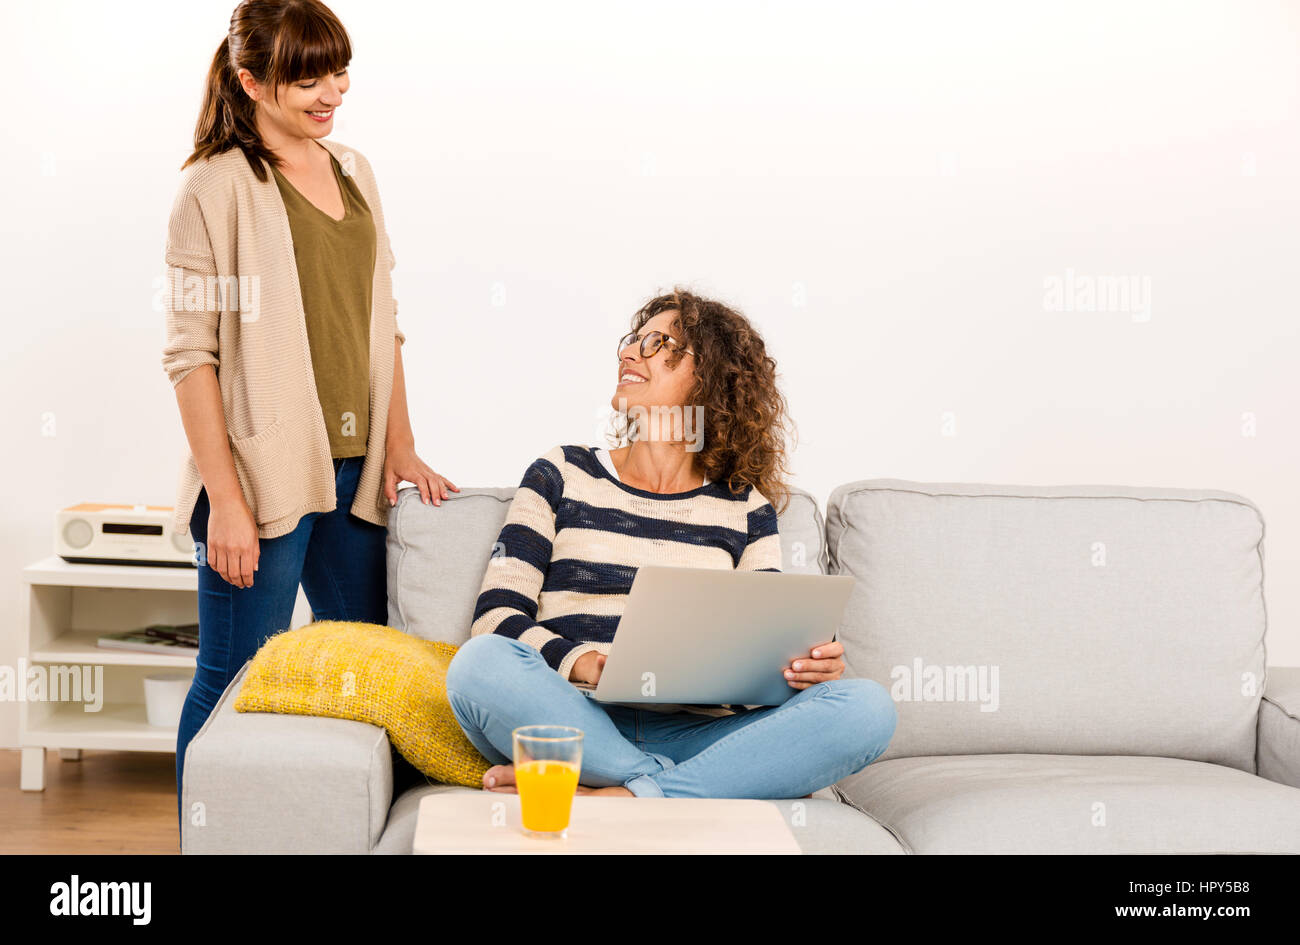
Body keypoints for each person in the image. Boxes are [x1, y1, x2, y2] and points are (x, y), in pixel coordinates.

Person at [161, 0, 457, 815]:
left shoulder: (356, 169)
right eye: (307, 78)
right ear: (250, 81)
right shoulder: (213, 189)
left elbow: (382, 319)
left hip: (356, 474)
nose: (332, 92)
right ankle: (208, 839)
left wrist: (402, 447)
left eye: (338, 71)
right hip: (262, 479)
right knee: (231, 676)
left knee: (375, 670)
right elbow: (192, 358)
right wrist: (225, 499)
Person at [445, 289, 897, 799]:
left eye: (660, 343)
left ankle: (621, 791)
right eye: (633, 340)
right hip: (573, 718)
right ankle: (674, 788)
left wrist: (801, 669)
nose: (629, 353)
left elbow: (756, 658)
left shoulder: (746, 508)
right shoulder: (563, 471)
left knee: (867, 707)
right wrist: (586, 662)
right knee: (480, 665)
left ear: (712, 381)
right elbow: (496, 620)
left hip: (697, 734)